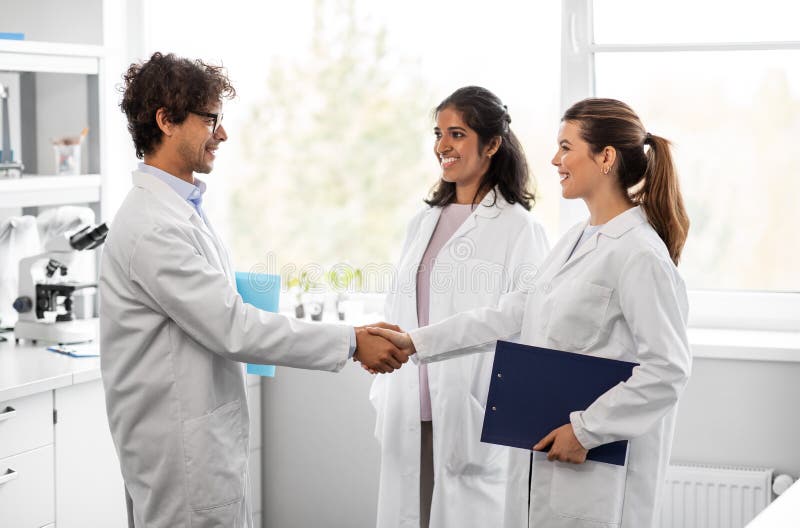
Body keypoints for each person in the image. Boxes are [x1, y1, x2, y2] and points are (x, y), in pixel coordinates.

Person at [99, 52, 407, 528]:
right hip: (180, 455)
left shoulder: (179, 209)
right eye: (210, 119)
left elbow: (219, 311)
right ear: (166, 121)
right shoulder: (152, 227)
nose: (222, 133)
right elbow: (233, 327)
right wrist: (350, 341)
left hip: (200, 444)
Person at [369, 98, 692, 528]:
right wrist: (416, 341)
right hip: (546, 460)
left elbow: (667, 370)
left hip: (597, 475)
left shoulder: (640, 254)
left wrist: (586, 430)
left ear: (606, 158)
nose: (555, 159)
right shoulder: (577, 238)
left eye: (566, 147)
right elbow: (512, 314)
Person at [369, 86, 549, 528]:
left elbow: (520, 317)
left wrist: (420, 341)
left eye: (457, 134)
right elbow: (401, 304)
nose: (442, 146)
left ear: (492, 144)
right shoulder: (422, 223)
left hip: (469, 411)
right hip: (408, 404)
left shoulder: (519, 228)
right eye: (438, 134)